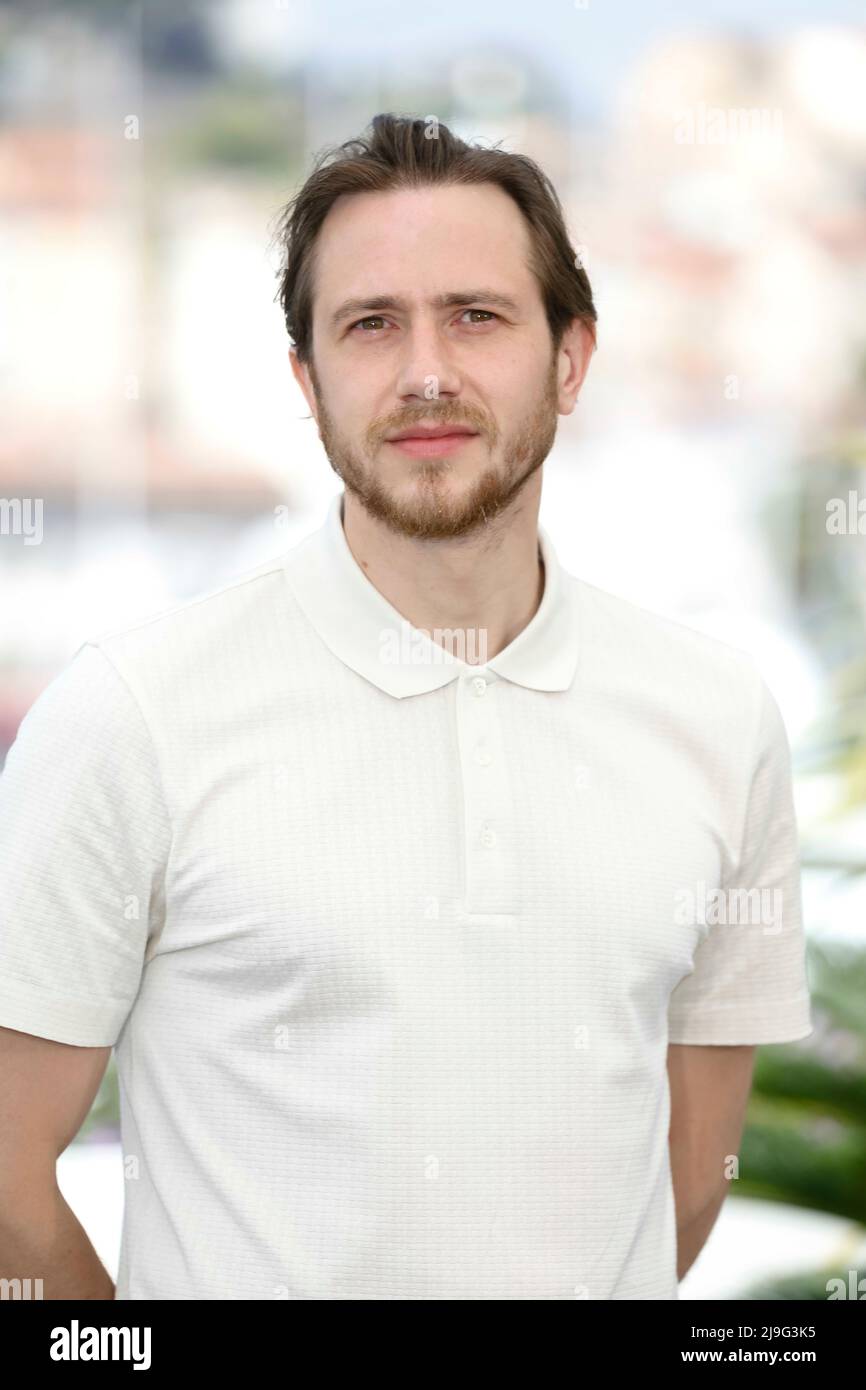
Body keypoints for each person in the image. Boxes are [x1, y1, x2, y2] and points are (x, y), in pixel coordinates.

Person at [0, 114, 811, 1301]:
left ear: (571, 358)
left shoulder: (718, 716)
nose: (425, 371)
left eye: (475, 316)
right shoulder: (130, 711)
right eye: (369, 324)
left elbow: (689, 1173)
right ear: (306, 379)